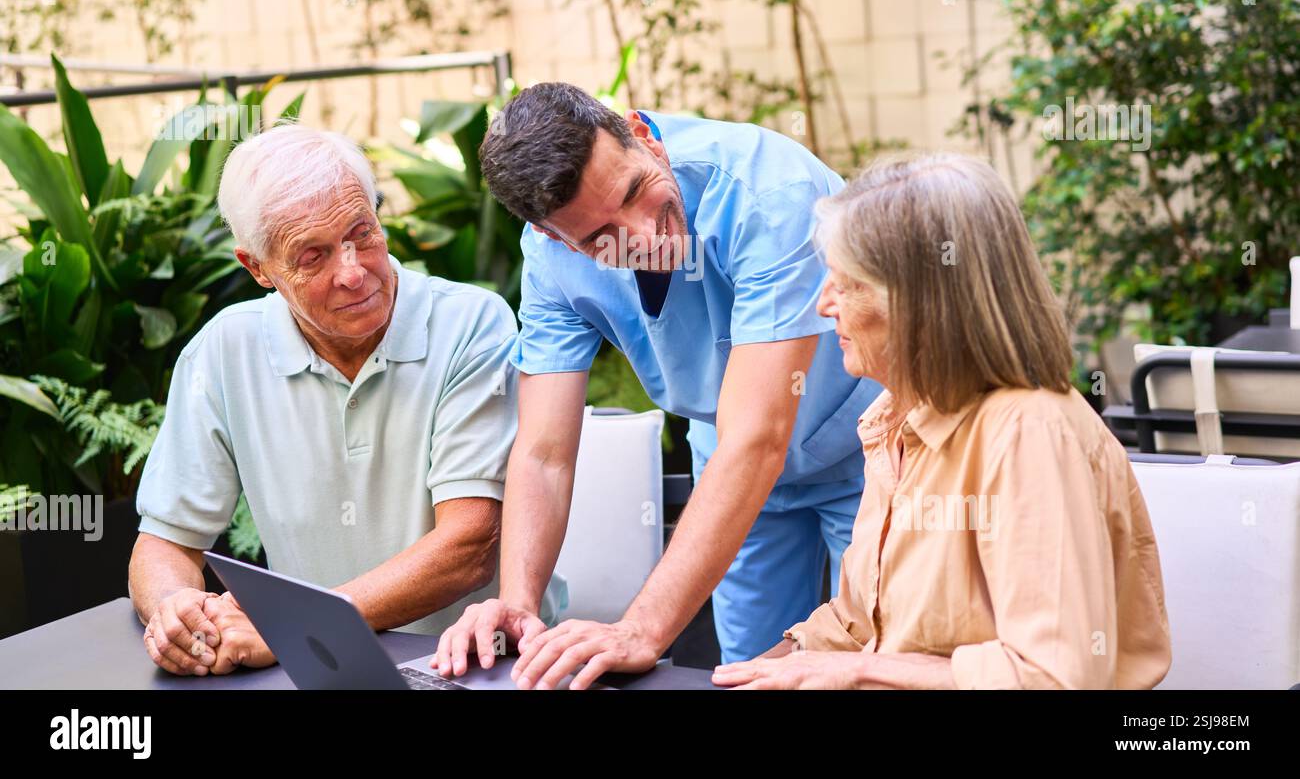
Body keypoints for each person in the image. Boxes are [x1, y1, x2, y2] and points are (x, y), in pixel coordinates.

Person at [436, 82, 882, 688]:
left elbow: (760, 436)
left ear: (641, 135)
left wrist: (641, 628)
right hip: (731, 461)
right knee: (745, 674)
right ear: (551, 237)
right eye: (598, 237)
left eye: (633, 192)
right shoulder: (551, 261)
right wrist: (518, 605)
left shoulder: (768, 193)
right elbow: (543, 453)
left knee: (878, 656)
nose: (642, 236)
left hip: (869, 448)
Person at [712, 153, 1172, 689]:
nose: (824, 304)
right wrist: (758, 671)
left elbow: (1051, 677)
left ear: (918, 303)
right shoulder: (895, 418)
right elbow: (858, 625)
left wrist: (857, 671)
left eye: (847, 282)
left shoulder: (1028, 433)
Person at [129, 124, 552, 676]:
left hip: (475, 663)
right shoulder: (223, 350)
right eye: (313, 256)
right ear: (257, 268)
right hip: (309, 668)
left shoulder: (471, 324)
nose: (352, 273)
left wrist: (295, 626)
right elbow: (164, 543)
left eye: (363, 234)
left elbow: (469, 545)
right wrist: (175, 614)